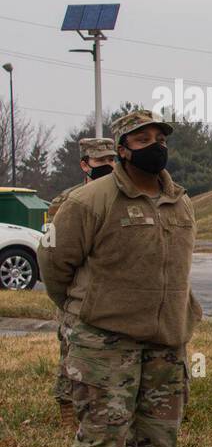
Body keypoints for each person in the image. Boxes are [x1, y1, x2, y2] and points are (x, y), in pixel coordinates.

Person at [37, 110, 200, 447]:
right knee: (101, 439)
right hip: (106, 343)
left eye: (159, 137)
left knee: (157, 437)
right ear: (122, 148)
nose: (154, 144)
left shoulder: (180, 201)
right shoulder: (90, 201)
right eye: (142, 138)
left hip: (166, 341)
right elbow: (54, 264)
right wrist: (83, 310)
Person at [45, 137, 119, 431]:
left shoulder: (121, 197)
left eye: (112, 159)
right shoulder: (64, 203)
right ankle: (66, 409)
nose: (109, 165)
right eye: (102, 161)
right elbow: (53, 253)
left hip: (112, 290)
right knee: (71, 351)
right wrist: (65, 295)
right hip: (79, 290)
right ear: (85, 164)